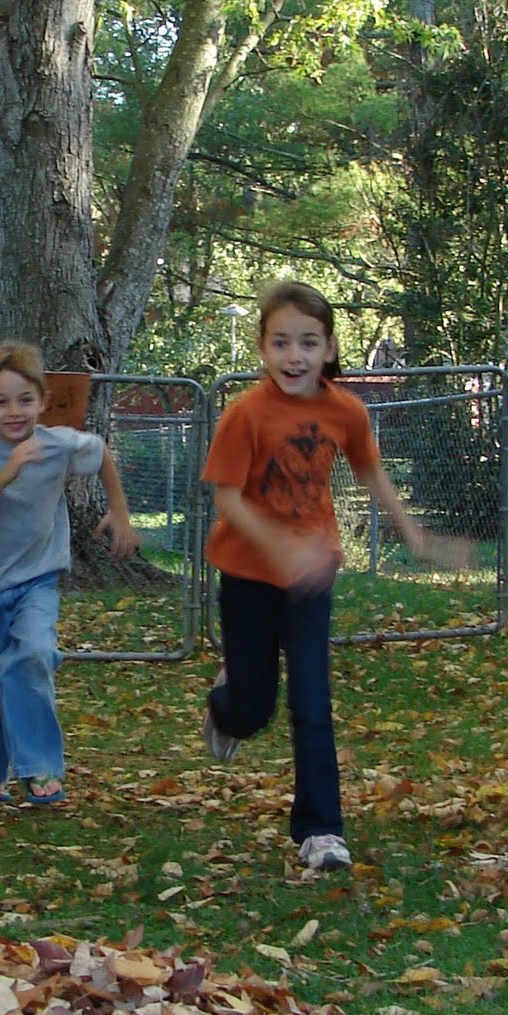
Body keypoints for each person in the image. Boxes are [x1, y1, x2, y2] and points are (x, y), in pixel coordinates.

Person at [201, 280, 428, 874]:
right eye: (280, 343)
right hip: (249, 572)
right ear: (262, 349)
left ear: (329, 348)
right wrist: (277, 545)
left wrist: (413, 530)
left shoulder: (345, 410)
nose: (293, 355)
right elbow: (228, 497)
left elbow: (371, 474)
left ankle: (321, 829)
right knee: (254, 711)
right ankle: (227, 703)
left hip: (311, 575)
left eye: (307, 342)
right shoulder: (245, 413)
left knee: (310, 699)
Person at [0, 341, 139, 805]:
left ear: (42, 399)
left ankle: (40, 769)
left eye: (24, 400)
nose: (14, 412)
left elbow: (100, 454)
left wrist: (120, 512)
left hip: (36, 579)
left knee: (33, 655)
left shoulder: (57, 443)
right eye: (1, 401)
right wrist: (8, 473)